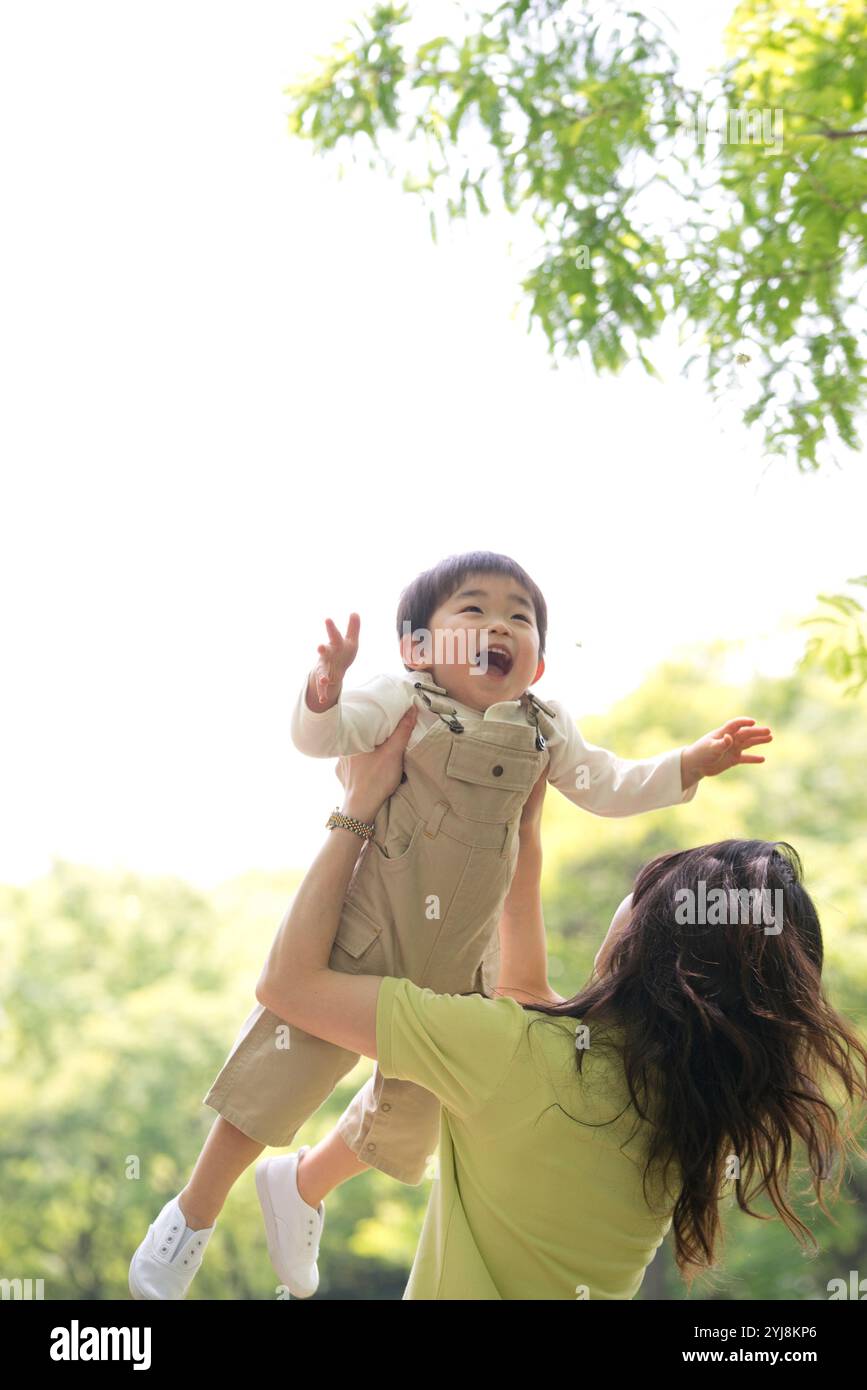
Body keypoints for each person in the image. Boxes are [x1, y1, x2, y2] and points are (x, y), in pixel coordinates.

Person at [129, 550, 773, 1299]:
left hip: (463, 953)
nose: (498, 624)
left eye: (518, 617)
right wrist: (323, 689)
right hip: (363, 932)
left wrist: (689, 762)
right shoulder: (400, 698)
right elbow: (322, 736)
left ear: (536, 664)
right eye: (472, 610)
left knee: (415, 1115)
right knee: (279, 1073)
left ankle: (301, 1187)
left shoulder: (545, 726)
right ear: (417, 647)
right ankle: (192, 1214)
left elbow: (605, 785)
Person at [134, 710, 867, 1299]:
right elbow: (529, 1000)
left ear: (641, 939)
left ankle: (279, 1187)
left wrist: (355, 812)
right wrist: (520, 832)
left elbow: (287, 987)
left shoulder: (509, 1052)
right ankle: (297, 1184)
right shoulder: (698, 1120)